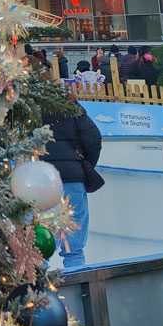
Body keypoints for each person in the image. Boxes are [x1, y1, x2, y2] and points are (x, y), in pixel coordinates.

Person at [41, 103, 103, 269]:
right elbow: (94, 138)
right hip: (73, 181)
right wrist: (82, 164)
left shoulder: (30, 104)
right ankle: (80, 288)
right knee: (74, 247)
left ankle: (38, 290)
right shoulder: (72, 107)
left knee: (40, 244)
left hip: (41, 179)